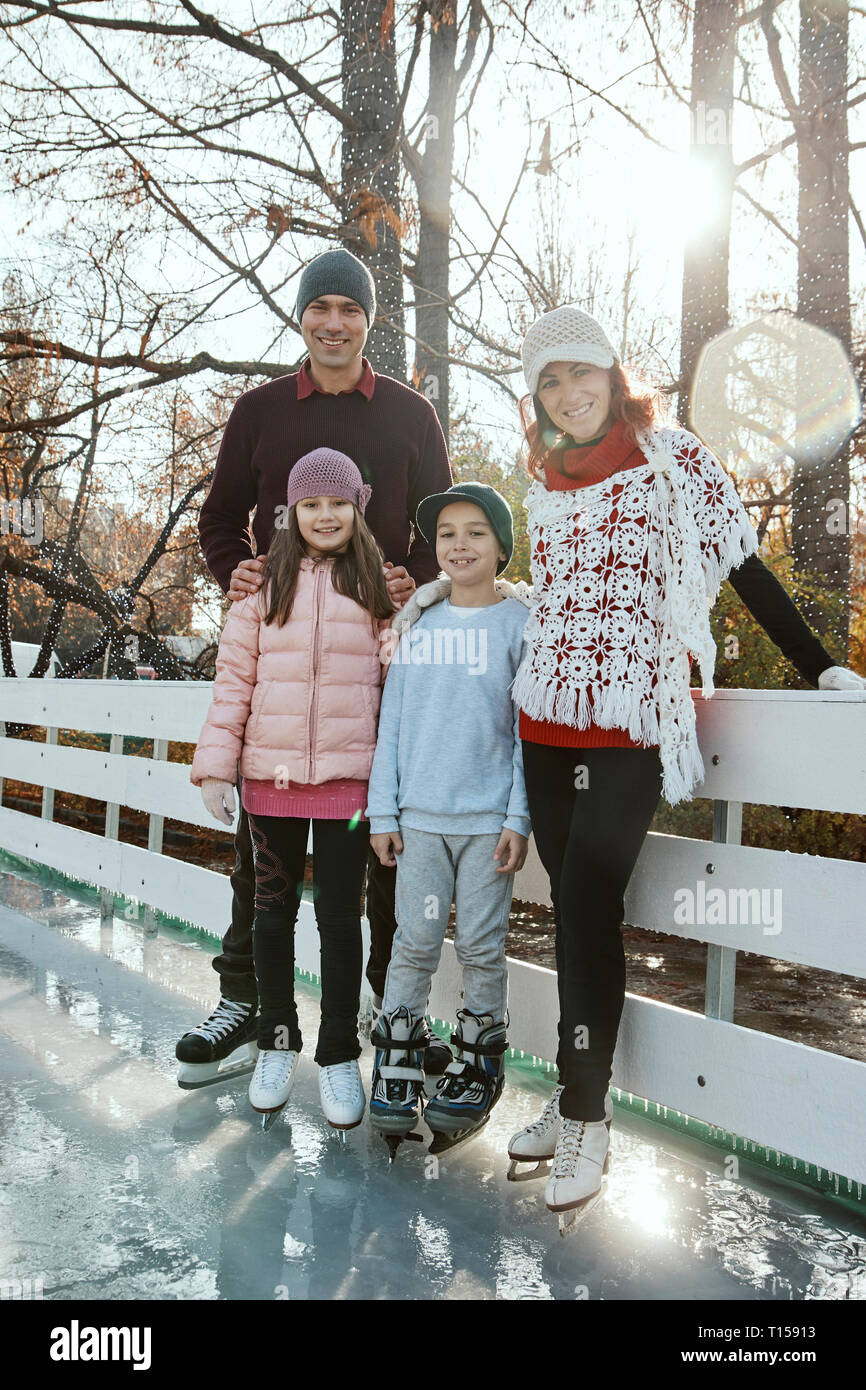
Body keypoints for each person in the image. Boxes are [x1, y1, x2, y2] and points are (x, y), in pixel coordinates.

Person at [505, 304, 866, 1225]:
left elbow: (742, 564)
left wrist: (818, 661)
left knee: (588, 901)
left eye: (580, 373)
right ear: (537, 398)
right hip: (546, 721)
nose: (568, 392)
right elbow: (555, 602)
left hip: (633, 720)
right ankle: (573, 1089)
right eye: (549, 381)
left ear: (611, 374)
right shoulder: (545, 480)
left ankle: (588, 1119)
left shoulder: (672, 458)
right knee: (572, 914)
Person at [177, 247, 453, 1088]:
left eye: (350, 310)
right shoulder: (261, 411)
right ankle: (247, 1003)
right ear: (301, 319)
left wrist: (422, 579)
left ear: (371, 321)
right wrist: (239, 578)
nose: (334, 323)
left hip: (381, 656)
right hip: (284, 653)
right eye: (318, 309)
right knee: (262, 860)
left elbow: (446, 528)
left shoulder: (409, 414)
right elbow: (220, 518)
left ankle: (384, 1009)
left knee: (374, 856)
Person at [189, 448, 392, 1133]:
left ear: (355, 509)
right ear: (292, 513)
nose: (325, 515)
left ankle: (339, 1054)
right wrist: (217, 767)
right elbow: (233, 684)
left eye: (338, 504)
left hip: (349, 786)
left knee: (340, 922)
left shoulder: (377, 590)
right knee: (270, 918)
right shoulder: (258, 591)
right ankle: (276, 1041)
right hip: (269, 785)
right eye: (311, 505)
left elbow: (401, 687)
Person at [366, 483, 532, 1158]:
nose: (459, 545)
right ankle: (398, 1058)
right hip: (422, 822)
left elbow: (527, 734)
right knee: (416, 940)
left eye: (475, 533)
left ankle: (476, 1058)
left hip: (489, 823)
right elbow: (394, 726)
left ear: (499, 547)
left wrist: (518, 816)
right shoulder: (418, 626)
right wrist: (383, 810)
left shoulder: (519, 626)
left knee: (484, 946)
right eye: (447, 535)